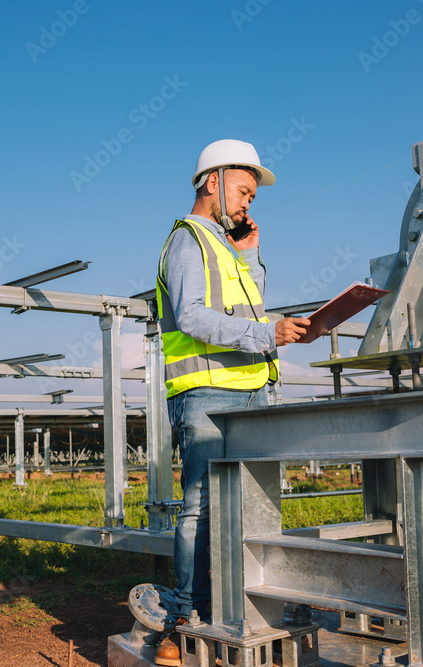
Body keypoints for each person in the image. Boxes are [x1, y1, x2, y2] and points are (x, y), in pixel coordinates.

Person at [156, 139, 310, 635]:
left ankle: (241, 605)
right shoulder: (187, 240)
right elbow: (193, 316)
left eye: (251, 197)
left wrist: (251, 253)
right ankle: (187, 612)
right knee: (201, 505)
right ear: (212, 182)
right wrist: (267, 335)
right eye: (243, 191)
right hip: (207, 395)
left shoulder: (225, 245)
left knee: (253, 503)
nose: (247, 202)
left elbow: (250, 307)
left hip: (250, 390)